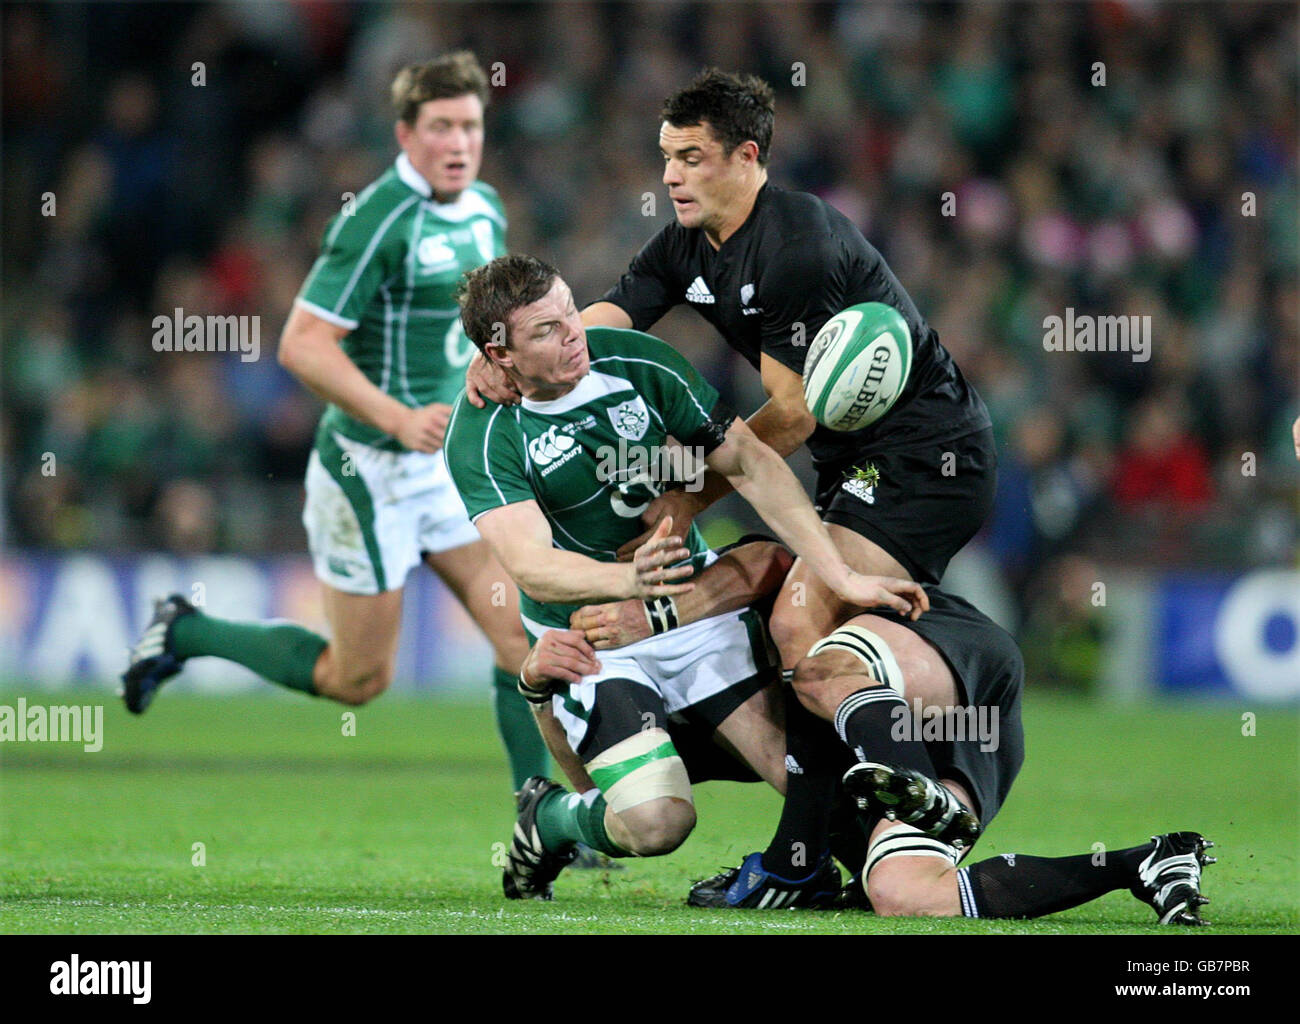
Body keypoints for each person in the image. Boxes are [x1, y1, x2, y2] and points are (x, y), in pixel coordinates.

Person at [465, 67, 998, 870]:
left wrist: (683, 497)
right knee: (793, 621)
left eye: (690, 157)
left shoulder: (798, 249)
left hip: (928, 459)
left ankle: (857, 825)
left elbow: (788, 417)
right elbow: (599, 324)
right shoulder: (685, 242)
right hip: (853, 465)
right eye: (665, 157)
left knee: (795, 619)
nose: (671, 175)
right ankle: (815, 832)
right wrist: (499, 357)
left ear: (747, 157)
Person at [121, 52, 548, 797]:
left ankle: (539, 820)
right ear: (404, 135)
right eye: (441, 126)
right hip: (367, 471)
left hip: (449, 466)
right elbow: (301, 342)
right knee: (357, 680)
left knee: (520, 637)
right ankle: (185, 630)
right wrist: (396, 415)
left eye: (471, 126)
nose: (458, 143)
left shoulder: (484, 207)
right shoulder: (376, 221)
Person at [442, 254, 928, 899]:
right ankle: (550, 818)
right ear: (497, 356)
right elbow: (533, 566)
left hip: (693, 615)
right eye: (545, 331)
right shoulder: (482, 434)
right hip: (594, 643)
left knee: (812, 785)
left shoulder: (638, 361)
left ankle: (888, 876)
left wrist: (840, 573)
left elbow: (750, 463)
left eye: (569, 312)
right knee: (657, 823)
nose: (573, 334)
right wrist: (630, 583)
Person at [575, 583, 1215, 926]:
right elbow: (608, 785)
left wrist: (786, 869)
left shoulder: (712, 598)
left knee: (817, 677)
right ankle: (1146, 862)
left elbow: (768, 558)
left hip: (930, 653)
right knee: (902, 894)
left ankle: (900, 784)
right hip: (928, 718)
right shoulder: (674, 719)